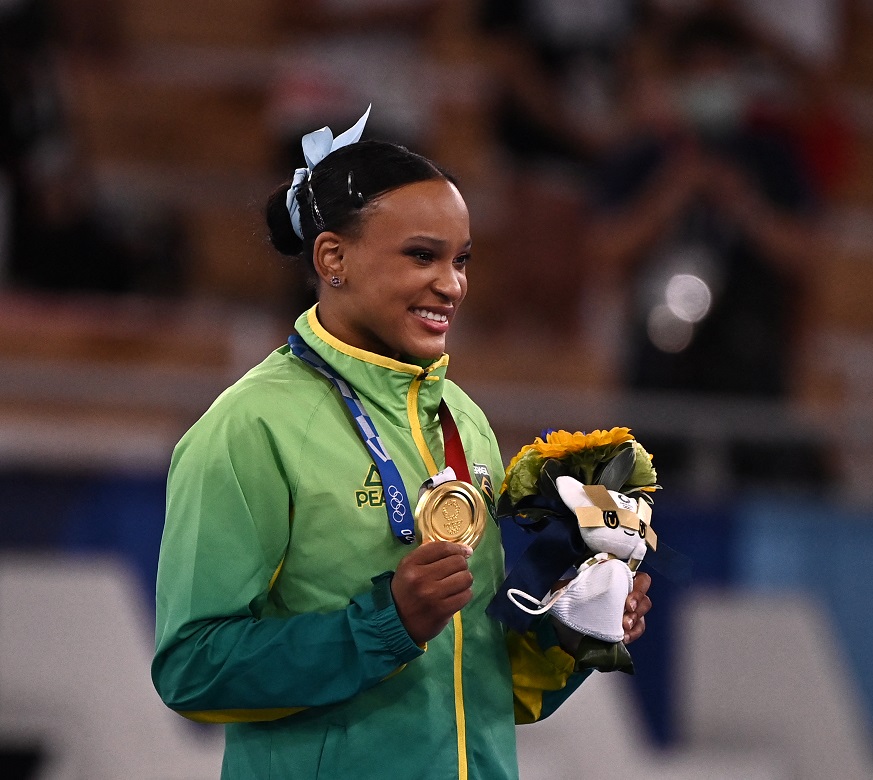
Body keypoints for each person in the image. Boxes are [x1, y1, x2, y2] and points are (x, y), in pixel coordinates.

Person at [152, 107, 652, 780]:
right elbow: (192, 668)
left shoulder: (463, 421)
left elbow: (477, 684)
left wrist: (572, 633)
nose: (452, 284)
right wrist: (386, 624)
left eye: (462, 260)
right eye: (423, 255)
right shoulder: (252, 426)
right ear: (333, 257)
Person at [588, 10, 825, 488]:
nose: (710, 83)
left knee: (764, 490)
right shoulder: (644, 156)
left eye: (721, 72)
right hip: (659, 368)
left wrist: (743, 205)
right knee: (651, 509)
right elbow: (604, 251)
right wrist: (672, 193)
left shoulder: (771, 156)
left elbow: (805, 255)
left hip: (752, 365)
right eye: (698, 73)